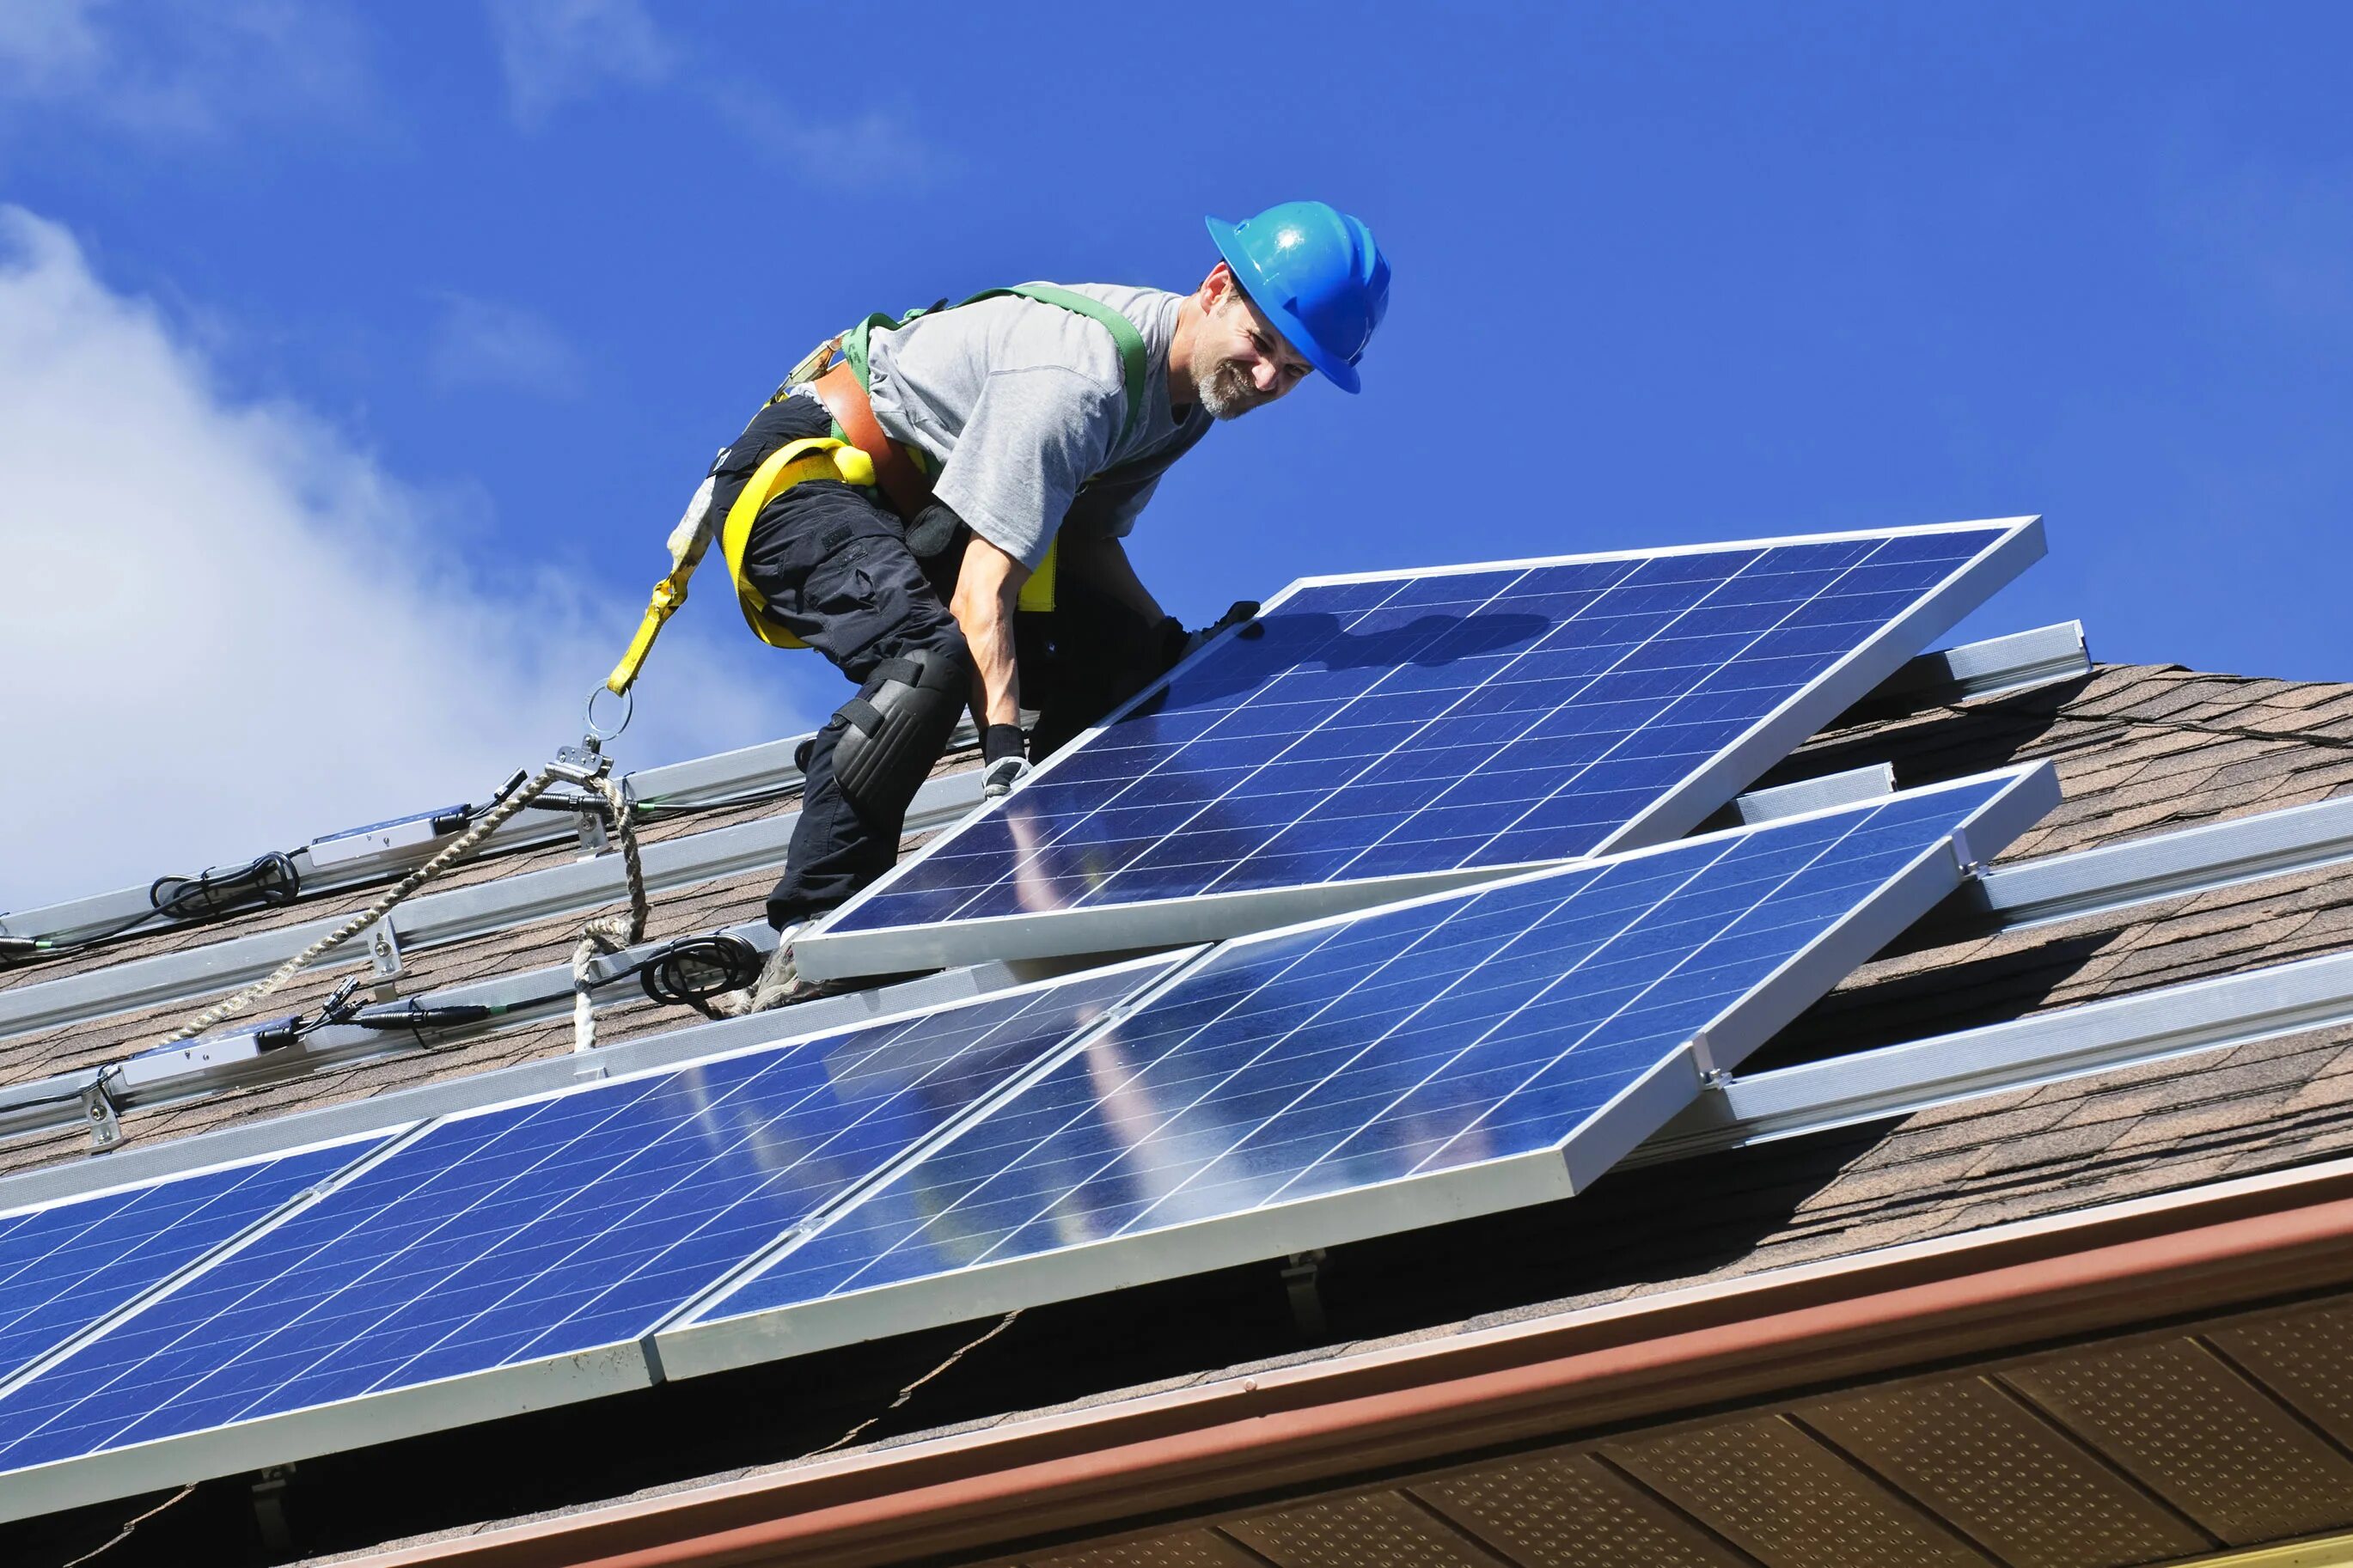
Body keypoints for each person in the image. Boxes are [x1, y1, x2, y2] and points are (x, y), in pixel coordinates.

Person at [687, 201, 1390, 1007]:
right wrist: (1005, 775)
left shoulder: (1186, 403)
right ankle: (818, 933)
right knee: (931, 658)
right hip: (804, 478)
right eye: (1263, 345)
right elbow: (981, 596)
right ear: (1217, 287)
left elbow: (1085, 545)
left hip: (923, 509)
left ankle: (1088, 865)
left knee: (1133, 658)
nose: (1266, 379)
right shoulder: (1080, 381)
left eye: (1294, 371)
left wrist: (1170, 647)